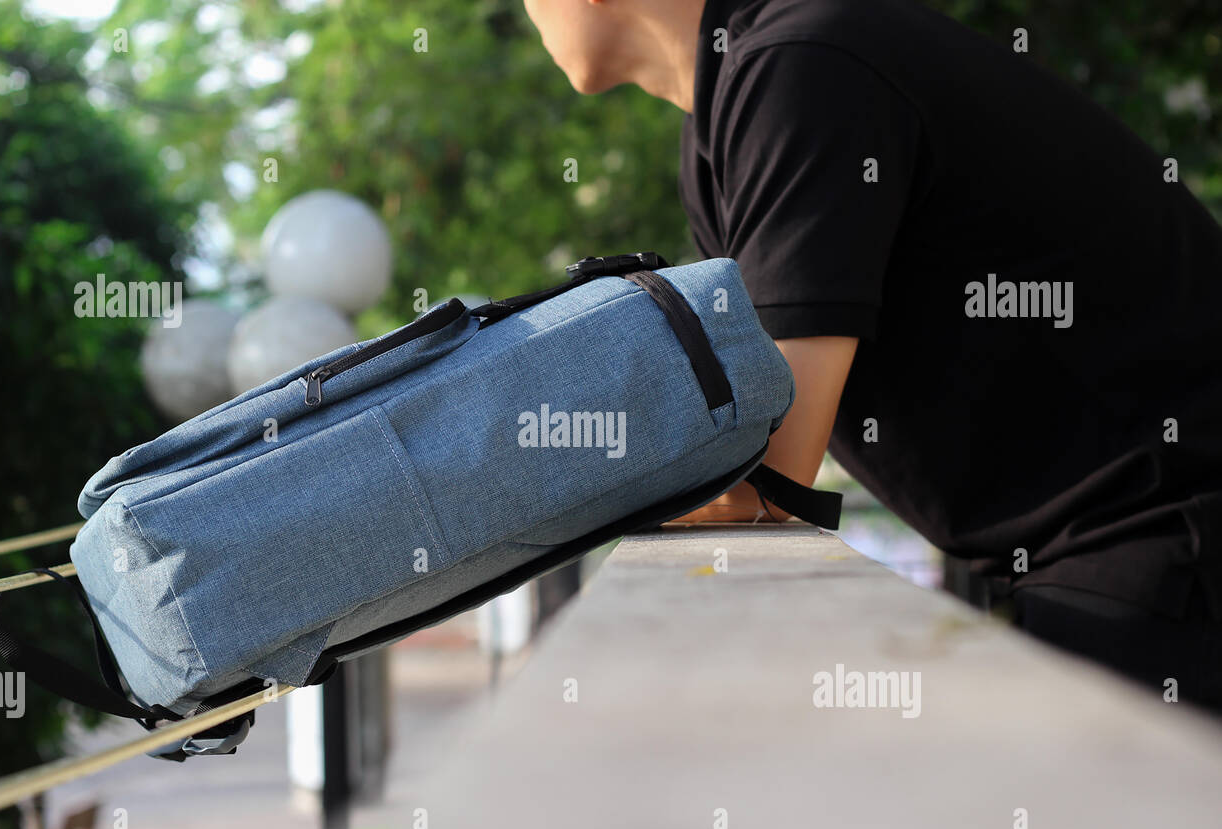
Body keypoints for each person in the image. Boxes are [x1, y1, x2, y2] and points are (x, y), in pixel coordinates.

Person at [521, 0, 1222, 709]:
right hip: (1117, 555)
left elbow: (768, 480)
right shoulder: (734, 109)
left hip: (1165, 547)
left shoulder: (801, 63)